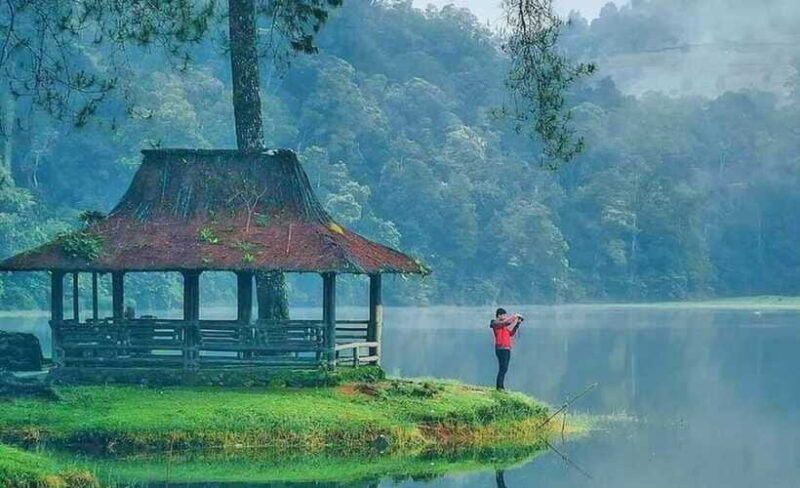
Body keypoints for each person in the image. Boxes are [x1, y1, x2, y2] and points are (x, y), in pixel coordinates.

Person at [490, 307, 523, 391]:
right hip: (501, 349)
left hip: (507, 349)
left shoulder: (503, 326)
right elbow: (507, 322)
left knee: (504, 369)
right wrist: (515, 316)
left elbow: (511, 333)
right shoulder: (495, 323)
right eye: (503, 315)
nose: (504, 316)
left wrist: (517, 324)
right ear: (499, 315)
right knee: (502, 368)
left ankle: (501, 386)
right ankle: (499, 387)